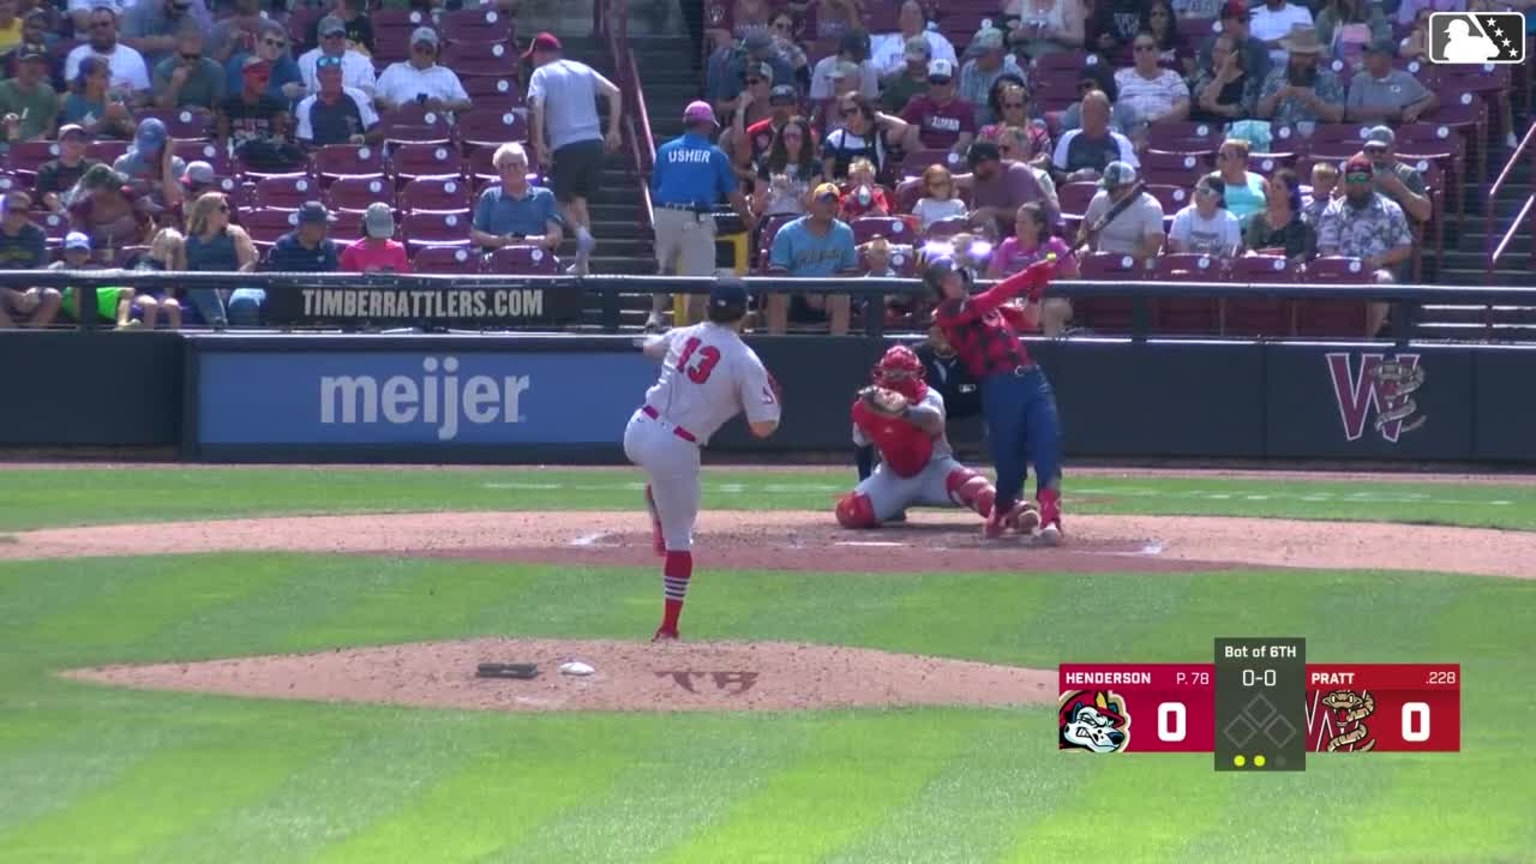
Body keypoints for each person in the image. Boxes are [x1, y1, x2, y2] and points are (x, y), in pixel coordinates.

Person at [626, 277, 781, 641]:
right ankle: (668, 627)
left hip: (636, 430)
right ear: (745, 314)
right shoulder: (745, 360)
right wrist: (775, 403)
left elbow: (650, 347)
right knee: (680, 542)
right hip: (674, 447)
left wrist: (647, 340)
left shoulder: (684, 334)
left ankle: (660, 500)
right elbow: (762, 427)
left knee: (665, 484)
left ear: (708, 306)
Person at [927, 251, 1063, 540]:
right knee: (1009, 459)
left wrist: (1036, 291)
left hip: (1032, 379)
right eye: (948, 278)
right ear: (939, 286)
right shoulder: (947, 313)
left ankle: (1051, 517)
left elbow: (1028, 320)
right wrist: (1029, 275)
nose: (956, 280)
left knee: (1047, 441)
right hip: (998, 386)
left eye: (956, 275)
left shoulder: (987, 309)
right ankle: (1003, 509)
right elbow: (991, 297)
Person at [835, 344, 1003, 529]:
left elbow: (934, 421)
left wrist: (903, 411)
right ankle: (893, 507)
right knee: (851, 514)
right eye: (891, 373)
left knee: (979, 491)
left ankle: (1012, 513)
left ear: (916, 374)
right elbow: (861, 441)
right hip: (893, 475)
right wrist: (872, 415)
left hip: (937, 469)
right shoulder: (868, 405)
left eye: (902, 373)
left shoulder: (930, 396)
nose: (895, 379)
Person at [524, 31, 624, 277]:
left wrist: (539, 142)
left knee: (557, 199)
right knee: (580, 200)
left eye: (533, 56)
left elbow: (536, 105)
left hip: (567, 144)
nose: (533, 62)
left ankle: (580, 234)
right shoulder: (582, 68)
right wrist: (613, 129)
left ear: (540, 53)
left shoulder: (541, 74)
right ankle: (583, 263)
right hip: (594, 142)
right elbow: (616, 92)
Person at [647, 102, 752, 332]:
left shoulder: (665, 150)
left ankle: (655, 316)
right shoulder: (715, 154)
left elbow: (655, 187)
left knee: (665, 268)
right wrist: (747, 217)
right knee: (700, 280)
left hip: (665, 213)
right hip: (696, 217)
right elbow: (733, 194)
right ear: (705, 124)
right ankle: (694, 329)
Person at [1316, 154, 1413, 336]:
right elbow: (1326, 247)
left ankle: (1366, 340)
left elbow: (1405, 248)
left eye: (1362, 178)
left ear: (1370, 180)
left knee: (1384, 282)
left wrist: (1379, 259)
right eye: (1352, 179)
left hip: (1375, 270)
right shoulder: (1334, 209)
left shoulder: (1390, 208)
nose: (1357, 184)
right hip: (1339, 271)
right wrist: (1342, 265)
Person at [766, 182, 859, 335]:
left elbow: (851, 272)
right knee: (777, 296)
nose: (830, 207)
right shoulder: (788, 232)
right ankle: (777, 350)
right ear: (812, 204)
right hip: (795, 295)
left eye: (834, 202)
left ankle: (839, 352)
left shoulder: (844, 232)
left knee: (842, 297)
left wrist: (825, 287)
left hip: (828, 295)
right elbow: (778, 273)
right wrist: (805, 289)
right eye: (824, 201)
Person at [989, 202, 1078, 334]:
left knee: (1052, 309)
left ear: (1039, 226)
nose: (1018, 227)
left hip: (1050, 298)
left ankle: (1050, 353)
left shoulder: (1055, 246)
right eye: (1017, 222)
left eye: (1023, 223)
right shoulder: (1008, 245)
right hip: (1015, 298)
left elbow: (1073, 276)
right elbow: (992, 276)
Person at [470, 142, 563, 253]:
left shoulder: (545, 196)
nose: (511, 170)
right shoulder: (489, 196)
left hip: (536, 259)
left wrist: (530, 242)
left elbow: (556, 236)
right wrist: (501, 241)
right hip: (498, 260)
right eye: (504, 166)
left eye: (515, 165)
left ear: (526, 168)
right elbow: (476, 235)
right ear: (498, 171)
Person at [184, 190, 258, 326]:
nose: (228, 212)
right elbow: (186, 272)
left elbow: (248, 265)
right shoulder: (189, 241)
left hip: (233, 284)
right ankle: (219, 325)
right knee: (201, 284)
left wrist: (228, 286)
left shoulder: (236, 234)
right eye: (223, 209)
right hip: (202, 288)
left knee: (241, 300)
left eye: (228, 208)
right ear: (207, 213)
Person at [218, 57, 301, 171]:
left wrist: (288, 126)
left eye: (267, 79)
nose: (265, 83)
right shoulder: (228, 105)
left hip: (267, 161)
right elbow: (222, 143)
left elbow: (279, 139)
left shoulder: (274, 106)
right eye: (261, 79)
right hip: (239, 159)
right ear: (246, 77)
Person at [1256, 25, 1345, 128]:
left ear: (1315, 56)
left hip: (1318, 137)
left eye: (1306, 55)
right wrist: (1277, 97)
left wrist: (1312, 100)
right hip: (1281, 136)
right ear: (1290, 53)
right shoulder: (1274, 76)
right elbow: (1260, 114)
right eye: (1297, 54)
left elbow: (1337, 117)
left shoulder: (1330, 78)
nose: (1301, 60)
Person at [1077, 161, 1165, 263]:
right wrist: (1084, 246)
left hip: (1133, 265)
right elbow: (1086, 226)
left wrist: (1118, 261)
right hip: (1101, 261)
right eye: (1107, 188)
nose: (1108, 193)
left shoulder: (1150, 208)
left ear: (1129, 187)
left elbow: (1151, 251)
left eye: (1112, 189)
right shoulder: (1099, 199)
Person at [373, 27, 470, 113]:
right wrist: (399, 107)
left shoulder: (447, 74)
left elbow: (466, 103)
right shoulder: (393, 69)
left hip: (438, 126)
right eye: (419, 49)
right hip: (400, 123)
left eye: (428, 51)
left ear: (435, 53)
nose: (423, 54)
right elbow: (377, 99)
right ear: (411, 48)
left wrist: (443, 105)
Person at [1051, 89, 1138, 184]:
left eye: (1091, 112)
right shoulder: (1068, 138)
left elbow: (1134, 175)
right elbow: (1055, 172)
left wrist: (1105, 178)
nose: (1085, 116)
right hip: (1075, 193)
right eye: (1084, 111)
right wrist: (1071, 177)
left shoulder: (1121, 142)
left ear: (1106, 115)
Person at [0, 191, 59, 328]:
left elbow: (41, 268)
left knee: (53, 296)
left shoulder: (37, 233)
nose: (19, 216)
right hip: (2, 288)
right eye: (14, 211)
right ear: (2, 212)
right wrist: (11, 294)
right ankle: (15, 339)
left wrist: (35, 289)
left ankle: (30, 336)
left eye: (24, 212)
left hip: (29, 287)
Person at [65, 7, 152, 100]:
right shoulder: (77, 55)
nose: (99, 29)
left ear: (115, 26)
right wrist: (116, 93)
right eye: (94, 26)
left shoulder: (133, 56)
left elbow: (142, 94)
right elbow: (75, 89)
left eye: (104, 24)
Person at [822, 92, 911, 182]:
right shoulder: (835, 139)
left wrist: (882, 117)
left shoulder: (878, 136)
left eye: (853, 111)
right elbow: (827, 173)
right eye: (845, 113)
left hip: (876, 191)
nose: (849, 116)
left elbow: (903, 127)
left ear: (864, 111)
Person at [294, 55, 380, 147]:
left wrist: (362, 139)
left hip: (356, 154)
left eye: (335, 72)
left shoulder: (359, 96)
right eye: (326, 73)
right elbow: (304, 143)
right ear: (318, 76)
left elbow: (378, 131)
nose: (331, 77)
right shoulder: (305, 106)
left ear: (341, 74)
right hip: (322, 156)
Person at [67, 164, 153, 254]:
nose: (113, 196)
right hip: (96, 255)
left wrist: (143, 246)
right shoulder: (82, 208)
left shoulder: (130, 197)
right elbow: (77, 240)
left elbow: (150, 224)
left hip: (134, 252)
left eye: (114, 189)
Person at [899, 59, 977, 157]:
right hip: (921, 160)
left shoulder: (964, 107)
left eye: (943, 82)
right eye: (933, 81)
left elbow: (965, 141)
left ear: (953, 83)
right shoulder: (917, 104)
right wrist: (929, 157)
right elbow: (910, 140)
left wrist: (945, 157)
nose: (937, 87)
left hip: (952, 160)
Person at [1346, 38, 1436, 122]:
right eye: (1366, 53)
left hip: (1400, 132)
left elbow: (1431, 99)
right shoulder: (1359, 80)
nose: (1367, 57)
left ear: (1387, 57)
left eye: (1373, 54)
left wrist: (1416, 108)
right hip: (1366, 130)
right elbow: (1351, 114)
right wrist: (1392, 112)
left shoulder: (1404, 79)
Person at [1361, 125, 1433, 225]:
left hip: (1395, 232)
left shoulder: (1408, 173)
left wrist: (1396, 186)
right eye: (1372, 150)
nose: (1376, 154)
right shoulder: (1358, 171)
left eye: (1382, 149)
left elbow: (1425, 214)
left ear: (1393, 148)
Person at [1115, 30, 1192, 125]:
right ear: (1133, 55)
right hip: (1128, 129)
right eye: (1138, 49)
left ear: (1158, 53)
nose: (1144, 52)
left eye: (1149, 48)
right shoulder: (1120, 77)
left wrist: (1158, 119)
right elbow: (1109, 104)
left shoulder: (1172, 76)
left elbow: (1184, 105)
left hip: (1164, 128)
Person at [752, 116, 820, 218]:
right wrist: (773, 188)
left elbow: (812, 206)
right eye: (787, 137)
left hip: (801, 220)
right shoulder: (767, 162)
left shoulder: (814, 165)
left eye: (795, 137)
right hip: (772, 218)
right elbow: (756, 207)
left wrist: (792, 188)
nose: (791, 141)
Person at [112, 117, 185, 211]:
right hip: (132, 213)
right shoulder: (123, 162)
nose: (148, 152)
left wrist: (166, 162)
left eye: (152, 147)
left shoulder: (176, 164)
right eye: (143, 146)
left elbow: (174, 201)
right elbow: (114, 200)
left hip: (164, 215)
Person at [869, 0, 958, 75]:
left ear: (923, 19)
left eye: (915, 13)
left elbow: (953, 68)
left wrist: (923, 67)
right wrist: (899, 70)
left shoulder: (938, 41)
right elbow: (874, 70)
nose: (911, 18)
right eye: (906, 14)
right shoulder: (889, 44)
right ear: (899, 20)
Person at [958, 26, 1025, 125]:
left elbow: (1018, 106)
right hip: (974, 120)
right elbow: (966, 104)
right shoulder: (968, 68)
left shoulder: (1014, 72)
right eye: (976, 55)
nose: (977, 59)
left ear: (998, 53)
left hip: (1006, 119)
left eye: (982, 55)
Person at [297, 16, 376, 99]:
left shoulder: (362, 61)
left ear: (345, 37)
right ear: (319, 38)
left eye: (339, 36)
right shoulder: (306, 60)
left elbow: (367, 95)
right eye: (328, 37)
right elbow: (304, 95)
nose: (335, 40)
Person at [1245, 167, 1313, 260]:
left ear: (1290, 193)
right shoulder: (1258, 220)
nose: (1273, 191)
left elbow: (1307, 253)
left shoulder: (1302, 222)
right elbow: (1250, 248)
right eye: (1271, 186)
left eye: (1278, 187)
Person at [1197, 1, 1273, 85]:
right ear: (1226, 23)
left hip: (1247, 94)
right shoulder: (1211, 44)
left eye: (1249, 19)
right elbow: (1203, 76)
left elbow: (1263, 79)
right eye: (1242, 20)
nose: (1247, 23)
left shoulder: (1258, 46)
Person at [1190, 32, 1260, 121]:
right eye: (1215, 50)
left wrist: (1216, 108)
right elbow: (1204, 102)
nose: (1218, 55)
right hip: (1203, 123)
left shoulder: (1248, 79)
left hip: (1232, 127)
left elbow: (1244, 110)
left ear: (1235, 55)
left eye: (1223, 52)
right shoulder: (1204, 74)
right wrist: (1223, 73)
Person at [152, 24, 224, 111]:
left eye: (196, 57)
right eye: (186, 56)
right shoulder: (162, 70)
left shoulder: (215, 70)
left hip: (204, 118)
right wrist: (174, 85)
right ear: (175, 53)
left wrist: (211, 115)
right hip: (174, 119)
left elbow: (220, 108)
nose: (191, 61)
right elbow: (163, 109)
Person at [1169, 173, 1244, 255]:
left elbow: (1231, 251)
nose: (1198, 194)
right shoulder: (1183, 216)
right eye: (1197, 189)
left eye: (1204, 191)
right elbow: (1179, 248)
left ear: (1217, 197)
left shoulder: (1230, 220)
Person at [64, 56, 136, 140]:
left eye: (108, 76)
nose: (108, 80)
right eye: (103, 76)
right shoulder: (74, 100)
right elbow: (78, 133)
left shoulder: (114, 97)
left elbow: (133, 129)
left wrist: (119, 122)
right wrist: (106, 118)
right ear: (88, 78)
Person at [127, 226, 185, 329]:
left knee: (173, 305)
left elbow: (169, 293)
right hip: (139, 291)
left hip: (159, 293)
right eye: (157, 239)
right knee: (151, 305)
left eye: (164, 245)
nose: (157, 243)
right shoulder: (139, 257)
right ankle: (149, 337)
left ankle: (176, 338)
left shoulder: (166, 265)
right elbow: (126, 276)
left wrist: (169, 265)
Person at [122, 0, 205, 69]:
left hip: (174, 71)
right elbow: (127, 44)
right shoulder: (138, 11)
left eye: (185, 7)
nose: (180, 11)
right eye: (177, 7)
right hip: (143, 69)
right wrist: (162, 43)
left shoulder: (186, 16)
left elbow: (194, 44)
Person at [35, 125, 98, 213]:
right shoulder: (48, 169)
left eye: (80, 140)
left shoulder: (94, 168)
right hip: (60, 217)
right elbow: (49, 198)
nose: (75, 143)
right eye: (70, 139)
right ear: (59, 143)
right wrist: (65, 214)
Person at [0, 47, 57, 143]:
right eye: (28, 63)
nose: (34, 67)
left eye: (39, 64)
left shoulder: (48, 92)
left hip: (35, 146)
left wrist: (40, 137)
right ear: (17, 65)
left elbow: (50, 128)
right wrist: (6, 125)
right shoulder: (2, 89)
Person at [1207, 138, 1268, 222]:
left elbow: (1274, 207)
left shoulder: (1260, 181)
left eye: (1226, 156)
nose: (1221, 159)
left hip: (1257, 232)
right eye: (1220, 155)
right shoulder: (1210, 181)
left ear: (1241, 160)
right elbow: (1196, 209)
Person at [1003, 0, 1087, 60]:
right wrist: (1020, 34)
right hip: (1024, 60)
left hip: (1058, 62)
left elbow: (1079, 38)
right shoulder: (1019, 2)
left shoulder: (1069, 2)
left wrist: (1056, 35)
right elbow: (1006, 35)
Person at [809, 29, 878, 102]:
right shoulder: (823, 68)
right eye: (856, 55)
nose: (859, 59)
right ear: (844, 51)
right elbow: (818, 103)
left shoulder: (868, 68)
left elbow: (871, 101)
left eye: (862, 56)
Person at [340, 202, 409, 273]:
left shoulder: (398, 249)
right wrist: (363, 276)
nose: (379, 238)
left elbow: (404, 280)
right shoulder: (352, 250)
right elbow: (344, 281)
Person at [1249, 0, 1315, 65]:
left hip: (1292, 66)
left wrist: (1263, 45)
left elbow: (1305, 43)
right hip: (1259, 65)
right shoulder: (1251, 14)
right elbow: (1248, 45)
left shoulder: (1301, 13)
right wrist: (1284, 42)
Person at [879, 36, 931, 114]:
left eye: (917, 60)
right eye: (910, 60)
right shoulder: (896, 80)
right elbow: (885, 112)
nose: (913, 64)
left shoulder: (938, 80)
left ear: (928, 58)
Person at [914, 163, 968, 232]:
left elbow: (965, 226)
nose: (940, 188)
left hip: (953, 238)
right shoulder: (922, 203)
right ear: (928, 187)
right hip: (929, 239)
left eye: (943, 183)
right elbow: (916, 225)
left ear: (949, 184)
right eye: (936, 185)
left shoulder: (958, 204)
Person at [1302, 160, 1338, 227]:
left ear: (1332, 185)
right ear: (1312, 180)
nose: (1321, 190)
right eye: (1318, 185)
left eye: (1325, 186)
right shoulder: (1301, 201)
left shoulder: (1335, 206)